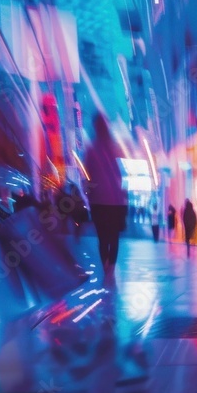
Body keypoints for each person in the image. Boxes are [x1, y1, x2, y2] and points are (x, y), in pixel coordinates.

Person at [83, 114, 128, 280]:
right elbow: (121, 174)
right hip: (115, 202)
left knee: (102, 237)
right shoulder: (115, 147)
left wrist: (89, 196)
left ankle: (105, 266)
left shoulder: (91, 150)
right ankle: (111, 269)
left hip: (99, 202)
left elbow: (88, 178)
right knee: (114, 237)